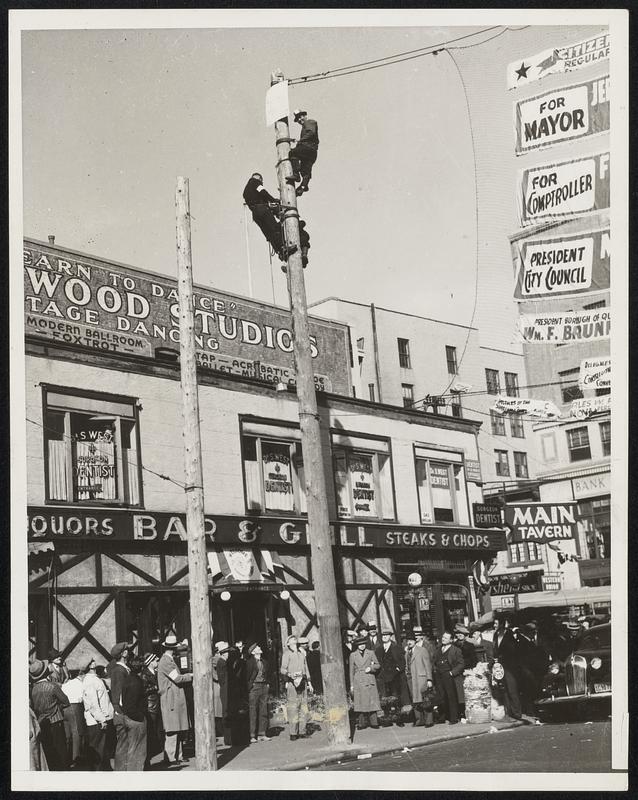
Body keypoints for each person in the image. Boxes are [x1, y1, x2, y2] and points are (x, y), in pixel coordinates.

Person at [243, 173, 297, 262]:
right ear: (259, 178)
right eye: (261, 180)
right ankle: (283, 248)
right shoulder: (255, 182)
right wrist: (273, 200)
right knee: (274, 228)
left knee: (268, 234)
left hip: (255, 214)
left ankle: (280, 252)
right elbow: (263, 192)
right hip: (262, 209)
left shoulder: (246, 191)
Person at [157, 633, 193, 766]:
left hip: (174, 698)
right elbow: (177, 678)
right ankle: (171, 757)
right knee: (172, 729)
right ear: (173, 648)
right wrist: (190, 675)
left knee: (177, 728)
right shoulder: (166, 661)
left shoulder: (169, 660)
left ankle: (178, 755)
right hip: (171, 699)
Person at [29, 659, 69, 770]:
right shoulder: (53, 686)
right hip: (56, 721)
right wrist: (57, 707)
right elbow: (66, 701)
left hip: (42, 722)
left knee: (49, 750)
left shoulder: (34, 689)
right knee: (60, 749)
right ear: (45, 671)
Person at [82, 656, 114, 771]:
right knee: (99, 752)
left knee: (103, 751)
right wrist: (102, 720)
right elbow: (93, 704)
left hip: (99, 720)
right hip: (97, 722)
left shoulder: (94, 679)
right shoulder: (91, 681)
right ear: (90, 665)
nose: (95, 662)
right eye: (92, 661)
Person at [280, 635, 312, 741]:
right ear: (288, 643)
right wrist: (289, 675)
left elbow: (306, 668)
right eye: (292, 639)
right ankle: (293, 732)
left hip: (302, 682)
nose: (294, 640)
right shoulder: (286, 654)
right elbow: (282, 669)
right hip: (292, 683)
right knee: (293, 708)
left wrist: (309, 683)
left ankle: (302, 731)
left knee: (303, 707)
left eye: (295, 639)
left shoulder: (301, 654)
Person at [492, 613, 523, 721]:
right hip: (499, 666)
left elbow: (513, 650)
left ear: (501, 623)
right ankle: (508, 712)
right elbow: (495, 648)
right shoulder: (496, 634)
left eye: (496, 623)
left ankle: (517, 713)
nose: (494, 625)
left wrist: (503, 656)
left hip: (509, 666)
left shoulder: (509, 633)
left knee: (511, 689)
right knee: (503, 688)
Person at [120, 656, 148, 771]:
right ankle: (135, 776)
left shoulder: (128, 679)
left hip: (127, 717)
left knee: (131, 749)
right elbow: (132, 705)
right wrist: (141, 717)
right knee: (138, 751)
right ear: (140, 668)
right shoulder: (136, 682)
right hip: (136, 719)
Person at [433, 631, 465, 725]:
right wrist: (435, 671)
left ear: (451, 640)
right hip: (439, 675)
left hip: (449, 676)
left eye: (446, 638)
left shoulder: (456, 650)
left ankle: (453, 718)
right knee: (441, 696)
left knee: (451, 697)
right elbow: (434, 661)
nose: (443, 639)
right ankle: (442, 717)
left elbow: (461, 664)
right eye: (443, 637)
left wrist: (452, 672)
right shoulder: (438, 649)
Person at [349, 636, 381, 730]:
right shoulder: (353, 655)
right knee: (360, 702)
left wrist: (370, 668)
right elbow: (351, 671)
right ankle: (361, 724)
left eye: (363, 644)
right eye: (359, 644)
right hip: (358, 680)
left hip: (369, 678)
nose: (362, 646)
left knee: (372, 701)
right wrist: (351, 685)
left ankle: (374, 722)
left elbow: (378, 665)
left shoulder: (370, 653)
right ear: (357, 645)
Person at [374, 629, 405, 727]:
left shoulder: (397, 648)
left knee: (396, 699)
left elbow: (402, 662)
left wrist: (397, 670)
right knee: (385, 700)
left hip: (394, 677)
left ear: (390, 637)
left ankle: (399, 719)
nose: (385, 637)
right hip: (383, 677)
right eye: (383, 635)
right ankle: (387, 720)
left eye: (387, 635)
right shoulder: (378, 649)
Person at [109, 641, 132, 770]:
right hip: (122, 711)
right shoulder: (119, 670)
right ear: (123, 653)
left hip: (123, 710)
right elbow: (118, 692)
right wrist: (120, 710)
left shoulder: (123, 668)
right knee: (123, 742)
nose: (128, 652)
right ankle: (120, 769)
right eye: (126, 650)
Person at [288, 109, 319, 196]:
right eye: (298, 118)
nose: (299, 119)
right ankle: (303, 187)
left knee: (292, 153)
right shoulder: (306, 126)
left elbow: (311, 132)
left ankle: (296, 175)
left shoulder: (309, 122)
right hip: (312, 152)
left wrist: (300, 140)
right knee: (306, 171)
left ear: (305, 116)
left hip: (308, 149)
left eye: (301, 116)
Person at [405, 634, 434, 727]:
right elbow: (407, 666)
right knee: (415, 700)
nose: (409, 642)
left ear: (415, 641)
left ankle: (429, 721)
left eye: (411, 641)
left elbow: (427, 665)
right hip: (412, 679)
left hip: (421, 678)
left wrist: (429, 679)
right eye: (408, 641)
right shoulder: (407, 653)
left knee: (425, 699)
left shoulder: (422, 650)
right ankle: (419, 720)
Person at [61, 670, 87, 768]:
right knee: (77, 733)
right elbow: (83, 698)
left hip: (65, 708)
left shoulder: (67, 684)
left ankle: (66, 758)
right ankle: (76, 759)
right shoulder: (81, 684)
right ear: (81, 675)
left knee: (67, 735)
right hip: (75, 707)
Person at [245, 644, 270, 743]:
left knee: (263, 710)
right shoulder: (249, 662)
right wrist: (249, 686)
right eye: (257, 648)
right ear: (253, 652)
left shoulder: (264, 662)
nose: (260, 648)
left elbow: (267, 674)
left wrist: (267, 684)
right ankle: (252, 735)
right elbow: (246, 676)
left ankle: (262, 733)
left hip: (264, 686)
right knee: (253, 711)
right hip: (254, 687)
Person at [141, 653, 162, 768]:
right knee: (151, 732)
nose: (158, 662)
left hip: (156, 704)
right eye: (156, 660)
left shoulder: (155, 672)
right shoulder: (145, 674)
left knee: (156, 731)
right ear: (151, 662)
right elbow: (144, 689)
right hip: (150, 706)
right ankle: (147, 760)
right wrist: (155, 688)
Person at [215, 642, 233, 746]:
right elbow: (222, 679)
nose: (228, 654)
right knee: (226, 712)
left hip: (226, 688)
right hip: (225, 689)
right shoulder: (221, 662)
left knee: (228, 711)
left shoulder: (224, 662)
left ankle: (229, 737)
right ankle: (228, 738)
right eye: (226, 652)